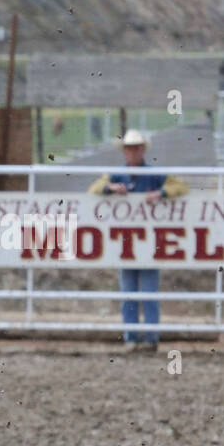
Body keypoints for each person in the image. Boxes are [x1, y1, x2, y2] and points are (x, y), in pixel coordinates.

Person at [87, 129, 189, 352]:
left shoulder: (154, 174)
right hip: (127, 243)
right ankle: (131, 336)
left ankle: (151, 338)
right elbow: (94, 189)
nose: (132, 152)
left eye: (136, 148)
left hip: (149, 243)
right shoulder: (116, 175)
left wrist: (161, 194)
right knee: (129, 293)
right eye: (129, 148)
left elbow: (180, 186)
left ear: (142, 150)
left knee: (149, 292)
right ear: (125, 151)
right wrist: (110, 188)